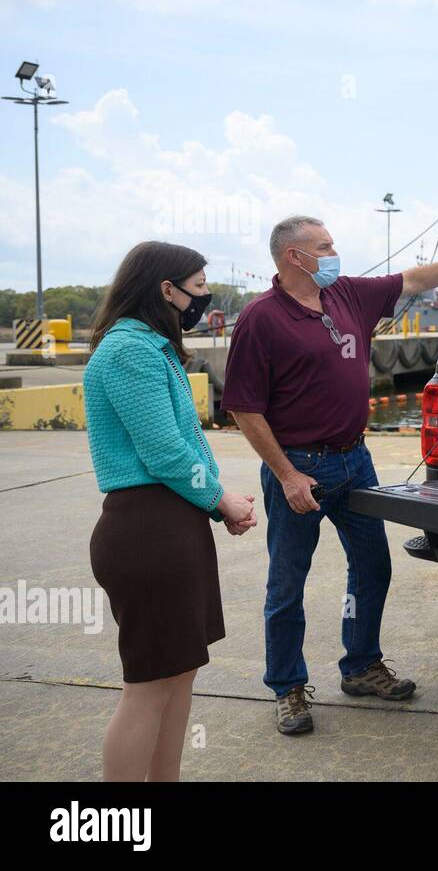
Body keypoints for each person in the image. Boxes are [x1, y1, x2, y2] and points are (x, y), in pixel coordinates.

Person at [221, 215, 438, 735]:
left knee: (371, 567)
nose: (334, 252)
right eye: (325, 245)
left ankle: (361, 666)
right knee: (287, 581)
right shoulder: (261, 319)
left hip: (354, 461)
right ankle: (287, 688)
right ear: (296, 256)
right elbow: (245, 409)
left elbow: (415, 278)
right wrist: (287, 475)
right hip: (301, 469)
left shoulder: (346, 295)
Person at [84, 241, 258, 781]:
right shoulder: (130, 351)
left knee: (177, 677)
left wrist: (211, 504)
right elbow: (164, 451)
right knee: (148, 686)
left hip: (170, 528)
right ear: (167, 290)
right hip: (147, 531)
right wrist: (223, 500)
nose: (205, 297)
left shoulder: (150, 346)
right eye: (200, 287)